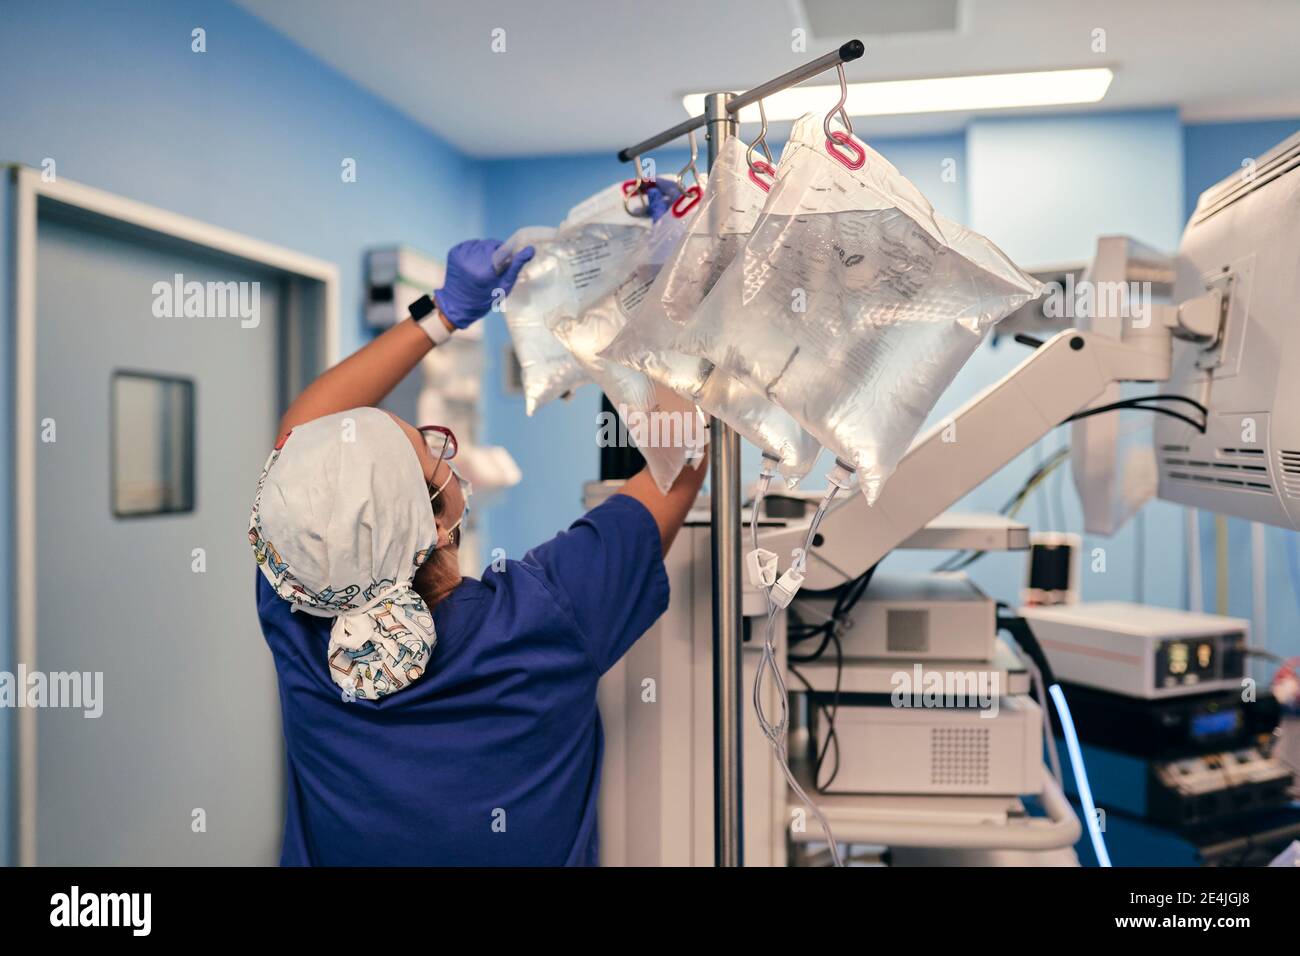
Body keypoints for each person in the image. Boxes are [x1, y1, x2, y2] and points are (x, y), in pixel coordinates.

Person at [251, 192, 708, 865]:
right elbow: (680, 460)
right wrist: (668, 281)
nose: (448, 448)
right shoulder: (547, 613)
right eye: (432, 448)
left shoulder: (297, 607)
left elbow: (304, 438)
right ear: (441, 519)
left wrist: (442, 315)